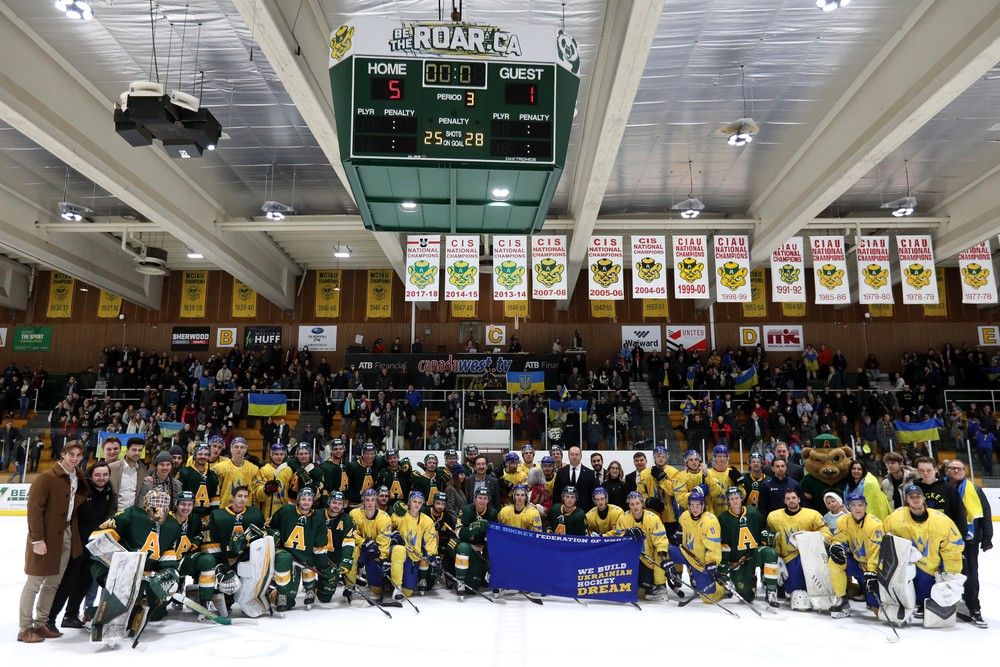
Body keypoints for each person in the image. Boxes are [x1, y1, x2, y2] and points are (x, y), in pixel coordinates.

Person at [19, 440, 88, 643]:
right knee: (34, 583)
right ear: (63, 454)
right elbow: (34, 511)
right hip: (45, 537)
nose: (74, 458)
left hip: (66, 535)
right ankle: (24, 628)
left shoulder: (77, 476)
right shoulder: (46, 478)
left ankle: (41, 624)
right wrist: (37, 539)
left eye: (78, 455)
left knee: (53, 583)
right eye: (70, 454)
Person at [89, 487, 183, 627]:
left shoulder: (173, 525)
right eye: (155, 501)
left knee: (156, 614)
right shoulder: (132, 513)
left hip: (147, 574)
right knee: (126, 598)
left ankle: (131, 611)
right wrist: (122, 564)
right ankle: (100, 616)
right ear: (146, 502)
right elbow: (99, 538)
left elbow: (168, 555)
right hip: (119, 568)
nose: (159, 505)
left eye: (163, 502)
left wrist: (167, 574)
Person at [47, 460, 114, 629]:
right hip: (77, 545)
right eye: (97, 475)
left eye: (105, 474)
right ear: (90, 476)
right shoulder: (82, 491)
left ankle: (70, 615)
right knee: (68, 583)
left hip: (94, 547)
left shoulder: (109, 491)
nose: (101, 478)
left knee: (84, 582)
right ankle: (49, 619)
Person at [882, 485, 964, 620]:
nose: (915, 499)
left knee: (925, 584)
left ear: (923, 498)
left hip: (931, 568)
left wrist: (951, 574)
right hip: (906, 564)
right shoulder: (895, 518)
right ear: (906, 500)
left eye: (918, 496)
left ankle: (922, 602)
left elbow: (953, 547)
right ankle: (903, 602)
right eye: (911, 497)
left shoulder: (941, 520)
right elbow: (885, 540)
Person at [195, 485, 265, 609]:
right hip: (224, 560)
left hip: (246, 560)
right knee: (227, 586)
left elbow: (261, 541)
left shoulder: (255, 514)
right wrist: (220, 564)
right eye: (239, 496)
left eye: (245, 497)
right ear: (232, 498)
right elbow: (212, 542)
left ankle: (255, 597)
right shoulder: (218, 515)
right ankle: (216, 598)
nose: (242, 499)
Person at [766, 488, 832, 610]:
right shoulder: (774, 517)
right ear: (784, 501)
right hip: (788, 558)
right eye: (788, 498)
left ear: (799, 499)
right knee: (796, 592)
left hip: (809, 556)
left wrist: (811, 537)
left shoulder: (813, 515)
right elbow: (771, 539)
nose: (791, 501)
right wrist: (776, 557)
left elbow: (827, 534)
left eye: (794, 498)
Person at [944, 459, 991, 628]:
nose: (956, 471)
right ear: (947, 471)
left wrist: (987, 537)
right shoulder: (942, 488)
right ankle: (951, 605)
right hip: (946, 540)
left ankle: (974, 608)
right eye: (952, 468)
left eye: (959, 468)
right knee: (946, 574)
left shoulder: (975, 490)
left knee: (970, 574)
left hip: (970, 540)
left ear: (964, 471)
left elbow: (985, 514)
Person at [267, 486, 330, 611]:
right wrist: (274, 534)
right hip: (287, 556)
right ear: (298, 500)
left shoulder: (318, 518)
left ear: (313, 502)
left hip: (305, 558)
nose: (306, 502)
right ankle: (278, 594)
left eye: (309, 499)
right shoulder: (286, 511)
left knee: (310, 565)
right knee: (289, 602)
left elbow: (319, 543)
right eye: (303, 499)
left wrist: (324, 565)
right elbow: (270, 526)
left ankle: (310, 589)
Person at [718, 486, 778, 605]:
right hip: (738, 561)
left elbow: (763, 528)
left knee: (770, 553)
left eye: (737, 498)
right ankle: (751, 579)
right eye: (731, 499)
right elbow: (724, 543)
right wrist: (727, 563)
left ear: (741, 499)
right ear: (728, 501)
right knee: (747, 596)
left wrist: (766, 534)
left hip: (754, 554)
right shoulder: (723, 518)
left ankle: (771, 591)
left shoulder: (752, 512)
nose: (735, 501)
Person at [827, 490, 883, 615]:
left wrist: (872, 572)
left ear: (865, 506)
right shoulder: (843, 521)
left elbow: (876, 553)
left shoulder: (875, 524)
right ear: (848, 507)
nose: (857, 509)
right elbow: (839, 540)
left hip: (872, 568)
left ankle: (874, 602)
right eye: (853, 505)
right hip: (856, 562)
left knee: (877, 610)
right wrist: (836, 547)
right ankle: (842, 599)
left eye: (860, 504)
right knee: (834, 560)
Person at [613, 491, 670, 599]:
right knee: (639, 593)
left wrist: (663, 556)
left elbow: (660, 539)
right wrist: (626, 534)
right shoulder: (623, 518)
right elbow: (618, 538)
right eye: (632, 504)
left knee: (661, 553)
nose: (635, 507)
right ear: (628, 505)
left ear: (642, 504)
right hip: (633, 557)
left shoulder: (653, 518)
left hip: (649, 558)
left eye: (637, 503)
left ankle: (660, 585)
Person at [387, 491, 439, 601]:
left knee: (408, 592)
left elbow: (430, 541)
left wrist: (433, 557)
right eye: (414, 501)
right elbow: (387, 530)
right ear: (409, 502)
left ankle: (399, 586)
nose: (417, 504)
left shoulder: (427, 521)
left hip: (413, 557)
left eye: (420, 502)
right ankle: (397, 587)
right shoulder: (399, 515)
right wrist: (394, 535)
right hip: (398, 552)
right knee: (399, 550)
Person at [345, 487, 393, 605]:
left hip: (375, 550)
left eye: (372, 500)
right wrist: (364, 542)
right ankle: (349, 585)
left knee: (376, 589)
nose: (370, 503)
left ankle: (380, 582)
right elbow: (352, 533)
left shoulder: (384, 517)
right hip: (361, 547)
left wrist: (383, 558)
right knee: (352, 551)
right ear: (363, 501)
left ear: (376, 500)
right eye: (367, 500)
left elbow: (384, 541)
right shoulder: (354, 514)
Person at [454, 488, 498, 596]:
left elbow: (494, 539)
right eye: (479, 498)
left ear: (488, 500)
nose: (482, 501)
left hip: (483, 551)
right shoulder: (466, 510)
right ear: (474, 499)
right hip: (469, 548)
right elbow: (458, 532)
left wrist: (490, 558)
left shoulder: (493, 513)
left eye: (485, 498)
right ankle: (460, 581)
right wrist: (471, 528)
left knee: (473, 587)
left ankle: (495, 581)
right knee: (462, 547)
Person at [912, 456, 966, 532]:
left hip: (946, 534)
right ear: (918, 471)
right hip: (921, 535)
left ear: (935, 470)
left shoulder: (949, 488)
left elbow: (959, 514)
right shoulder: (913, 489)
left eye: (929, 470)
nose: (925, 473)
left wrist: (961, 538)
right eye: (921, 470)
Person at [638, 445, 680, 537]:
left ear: (666, 458)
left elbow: (674, 491)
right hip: (651, 514)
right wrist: (647, 501)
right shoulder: (644, 473)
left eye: (663, 456)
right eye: (658, 456)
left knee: (670, 543)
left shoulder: (674, 472)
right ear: (654, 457)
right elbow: (640, 493)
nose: (660, 458)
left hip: (670, 516)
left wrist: (662, 479)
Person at [214, 436, 264, 509]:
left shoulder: (254, 469)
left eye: (242, 447)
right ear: (231, 448)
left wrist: (265, 490)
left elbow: (258, 492)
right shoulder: (219, 467)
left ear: (245, 449)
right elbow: (215, 491)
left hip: (245, 510)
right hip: (225, 509)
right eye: (236, 447)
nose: (239, 449)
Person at [108, 437, 148, 514]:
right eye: (134, 450)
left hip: (132, 515)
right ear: (126, 450)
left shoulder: (142, 470)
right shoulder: (112, 467)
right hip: (114, 515)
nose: (137, 453)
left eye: (140, 450)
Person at [705, 443, 744, 516]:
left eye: (724, 456)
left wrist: (739, 485)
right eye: (719, 456)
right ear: (714, 457)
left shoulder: (732, 472)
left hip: (731, 514)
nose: (722, 459)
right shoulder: (708, 473)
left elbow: (743, 496)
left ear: (727, 457)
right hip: (713, 514)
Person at [553, 446, 596, 510]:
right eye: (572, 454)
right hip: (564, 512)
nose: (574, 457)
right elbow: (556, 493)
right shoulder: (561, 472)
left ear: (581, 456)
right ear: (568, 456)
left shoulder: (589, 473)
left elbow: (592, 495)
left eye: (577, 454)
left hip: (584, 511)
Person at [259, 442, 294, 519]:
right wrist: (265, 489)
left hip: (283, 511)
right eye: (276, 454)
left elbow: (290, 491)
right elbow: (258, 495)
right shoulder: (264, 470)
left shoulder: (288, 470)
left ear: (285, 455)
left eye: (281, 454)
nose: (279, 457)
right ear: (271, 455)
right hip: (267, 513)